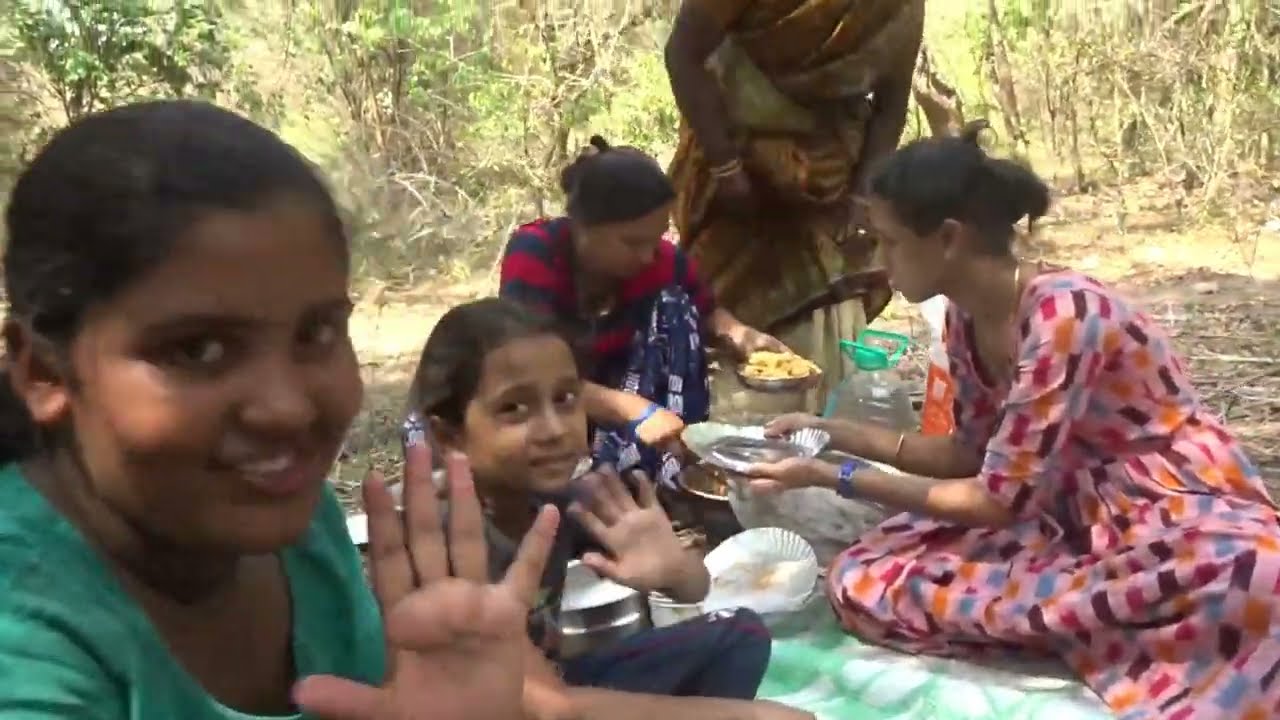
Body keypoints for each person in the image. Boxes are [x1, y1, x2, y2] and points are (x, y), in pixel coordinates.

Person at [0, 99, 577, 720]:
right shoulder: (23, 641)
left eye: (317, 333)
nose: (288, 411)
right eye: (198, 349)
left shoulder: (296, 528)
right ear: (44, 373)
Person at [742, 123, 1280, 719]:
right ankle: (1096, 619)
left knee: (1254, 575)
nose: (879, 260)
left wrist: (833, 475)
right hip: (1059, 512)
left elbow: (997, 502)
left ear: (947, 238)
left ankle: (1094, 620)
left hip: (1168, 507)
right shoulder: (965, 320)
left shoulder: (1066, 316)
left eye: (889, 242)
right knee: (862, 579)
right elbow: (969, 457)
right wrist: (836, 434)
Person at [403, 297, 810, 720]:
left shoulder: (558, 503)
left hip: (553, 686)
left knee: (738, 634)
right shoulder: (444, 541)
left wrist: (674, 568)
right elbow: (546, 707)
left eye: (565, 399)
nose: (554, 429)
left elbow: (695, 589)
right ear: (450, 436)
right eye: (514, 408)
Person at [664, 0, 925, 403]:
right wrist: (728, 167)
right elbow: (683, 53)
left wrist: (860, 197)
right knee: (722, 323)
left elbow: (892, 104)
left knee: (826, 338)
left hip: (832, 185)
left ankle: (817, 431)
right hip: (735, 188)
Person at [493, 136, 785, 489]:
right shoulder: (536, 253)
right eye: (632, 242)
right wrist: (633, 411)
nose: (649, 256)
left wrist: (742, 336)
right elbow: (529, 372)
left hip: (619, 387)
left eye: (656, 238)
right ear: (583, 227)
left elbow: (709, 311)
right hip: (548, 399)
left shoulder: (659, 261)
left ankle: (657, 469)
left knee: (676, 308)